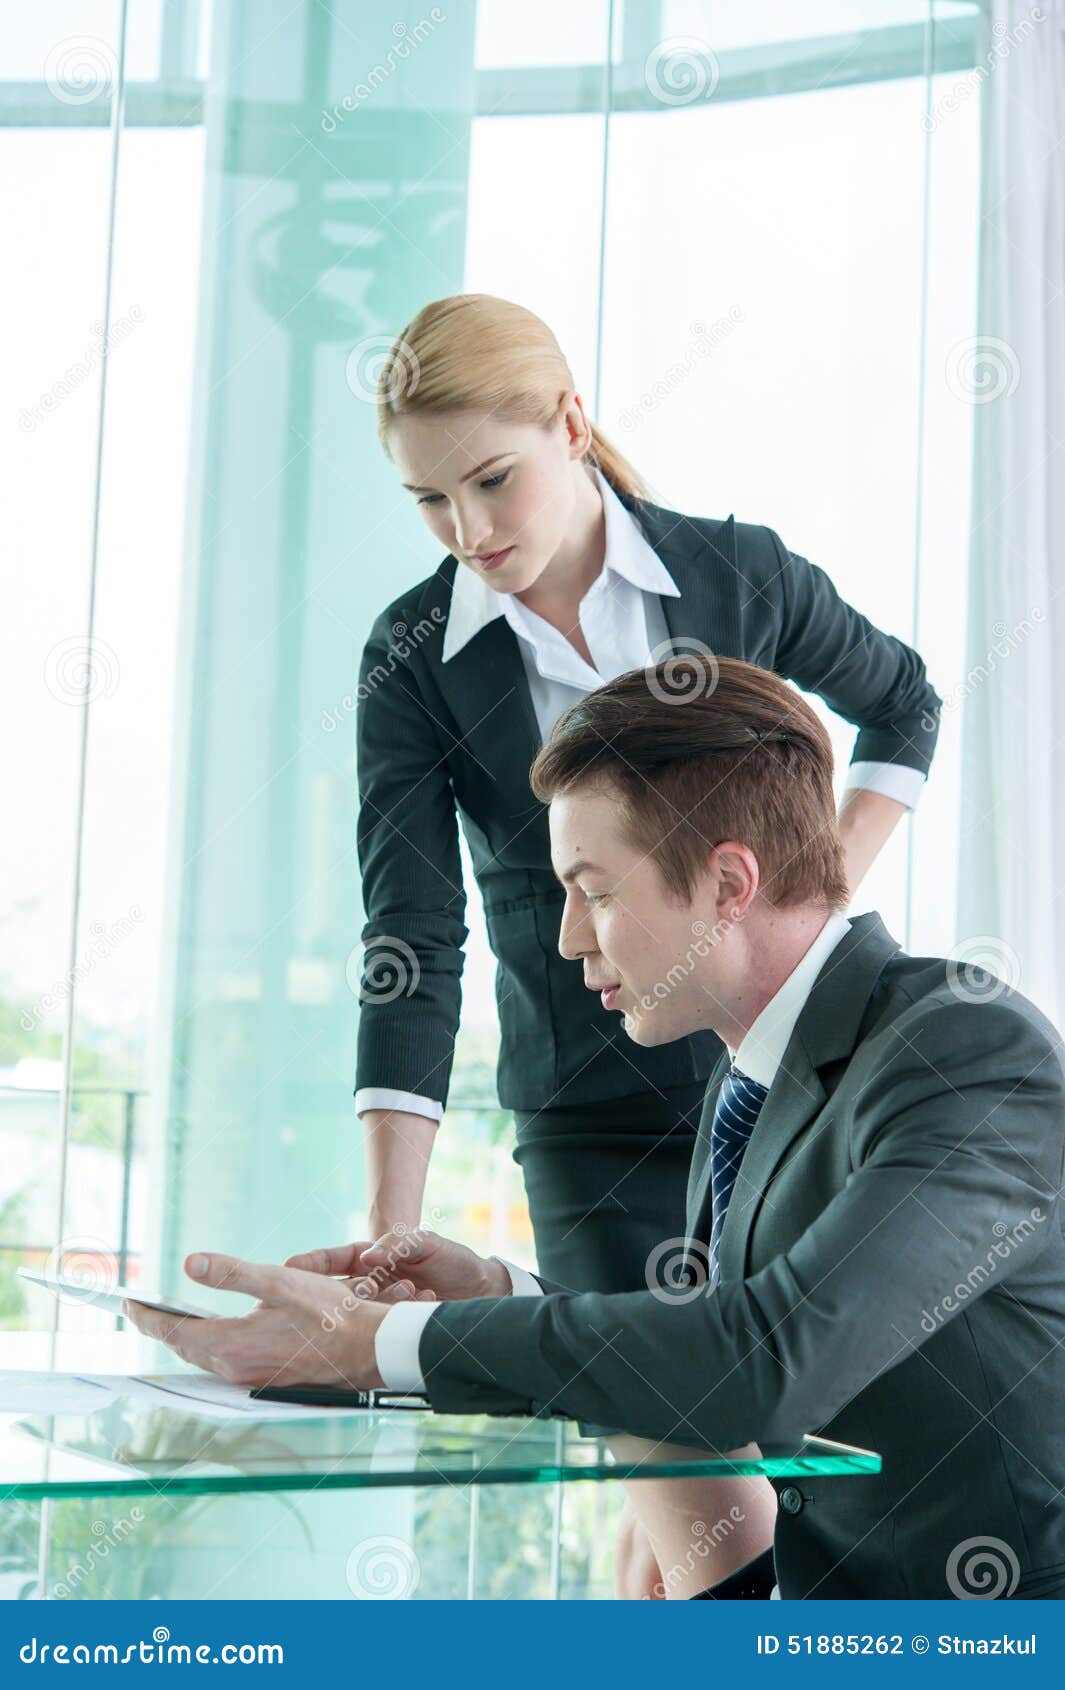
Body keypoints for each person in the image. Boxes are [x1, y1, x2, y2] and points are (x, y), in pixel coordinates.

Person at [127, 656, 1065, 1599]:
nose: (570, 936)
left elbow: (770, 1359)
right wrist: (487, 1297)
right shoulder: (754, 1077)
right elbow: (705, 1337)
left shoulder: (968, 1053)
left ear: (728, 883)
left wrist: (377, 1341)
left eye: (597, 890)